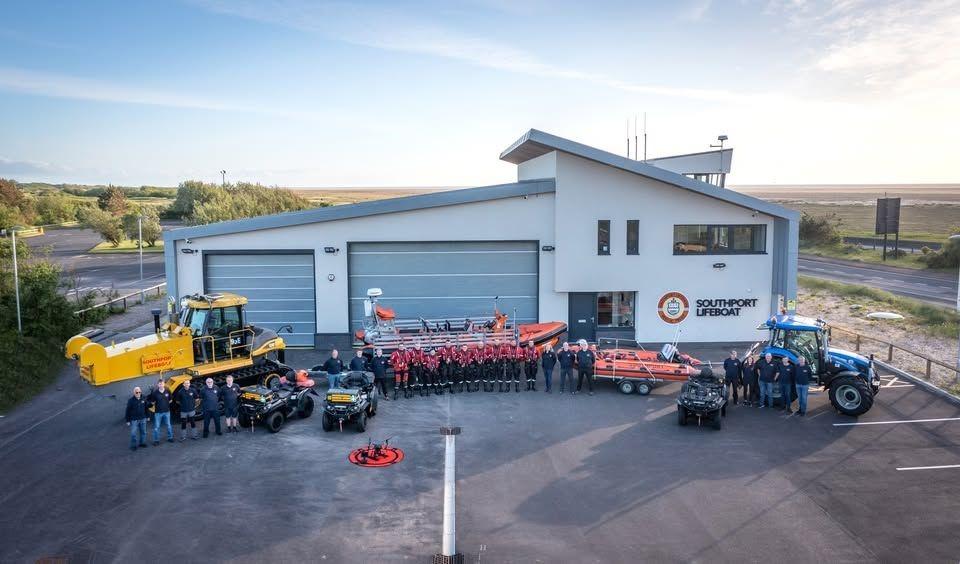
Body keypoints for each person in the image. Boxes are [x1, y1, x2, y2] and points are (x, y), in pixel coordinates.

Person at [148, 379, 174, 445]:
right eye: (159, 384)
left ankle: (170, 438)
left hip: (167, 412)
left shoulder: (167, 391)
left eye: (162, 384)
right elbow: (153, 402)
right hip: (158, 413)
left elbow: (170, 400)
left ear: (164, 384)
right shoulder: (155, 393)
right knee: (157, 427)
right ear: (158, 385)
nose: (161, 385)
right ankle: (156, 440)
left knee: (168, 425)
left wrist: (165, 404)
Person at [125, 387, 148, 451]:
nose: (138, 393)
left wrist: (148, 416)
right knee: (133, 433)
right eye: (136, 392)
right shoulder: (131, 400)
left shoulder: (144, 398)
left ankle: (142, 443)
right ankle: (134, 445)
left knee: (143, 432)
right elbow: (127, 411)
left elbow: (146, 408)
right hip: (134, 420)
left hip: (143, 418)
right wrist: (128, 420)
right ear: (134, 393)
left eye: (139, 392)